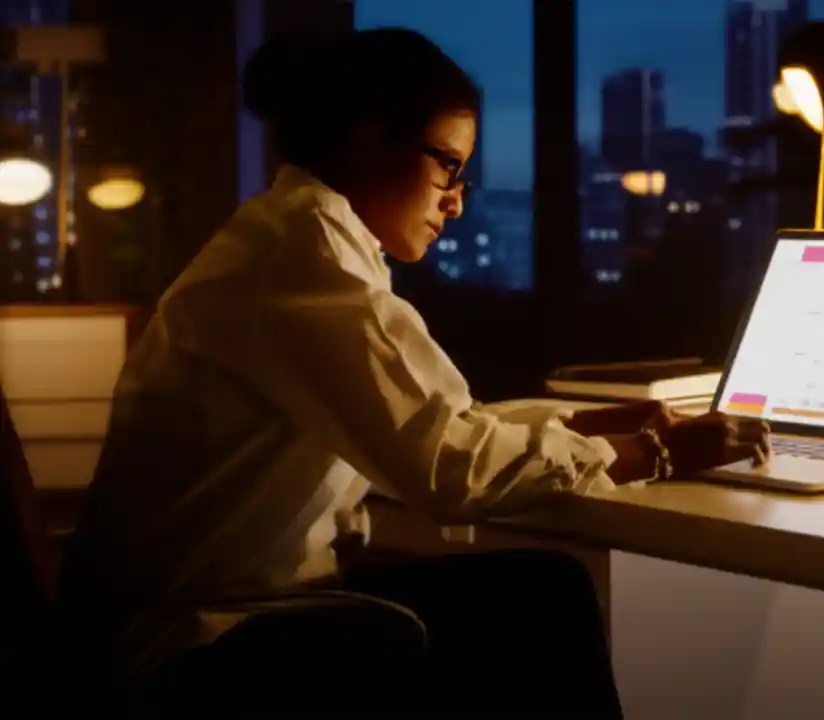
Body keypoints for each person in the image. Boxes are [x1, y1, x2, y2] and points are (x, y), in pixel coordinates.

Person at [56, 27, 770, 718]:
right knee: (541, 601)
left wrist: (588, 426)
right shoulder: (307, 255)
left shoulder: (297, 236)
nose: (456, 199)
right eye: (448, 167)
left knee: (539, 591)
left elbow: (436, 424)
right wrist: (657, 452)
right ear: (370, 142)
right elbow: (447, 467)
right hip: (194, 643)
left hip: (231, 606)